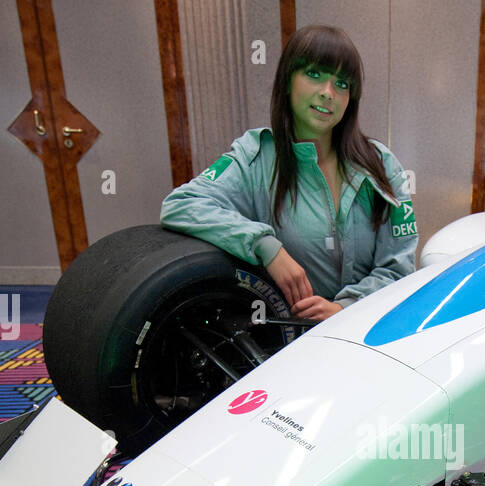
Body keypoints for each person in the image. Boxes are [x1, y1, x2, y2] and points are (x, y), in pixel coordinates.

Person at [160, 25, 416, 322]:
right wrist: (267, 248)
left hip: (368, 333)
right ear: (287, 82)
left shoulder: (382, 164)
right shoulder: (255, 156)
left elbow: (399, 269)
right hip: (285, 345)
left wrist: (345, 308)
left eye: (342, 84)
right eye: (315, 74)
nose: (327, 93)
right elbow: (182, 204)